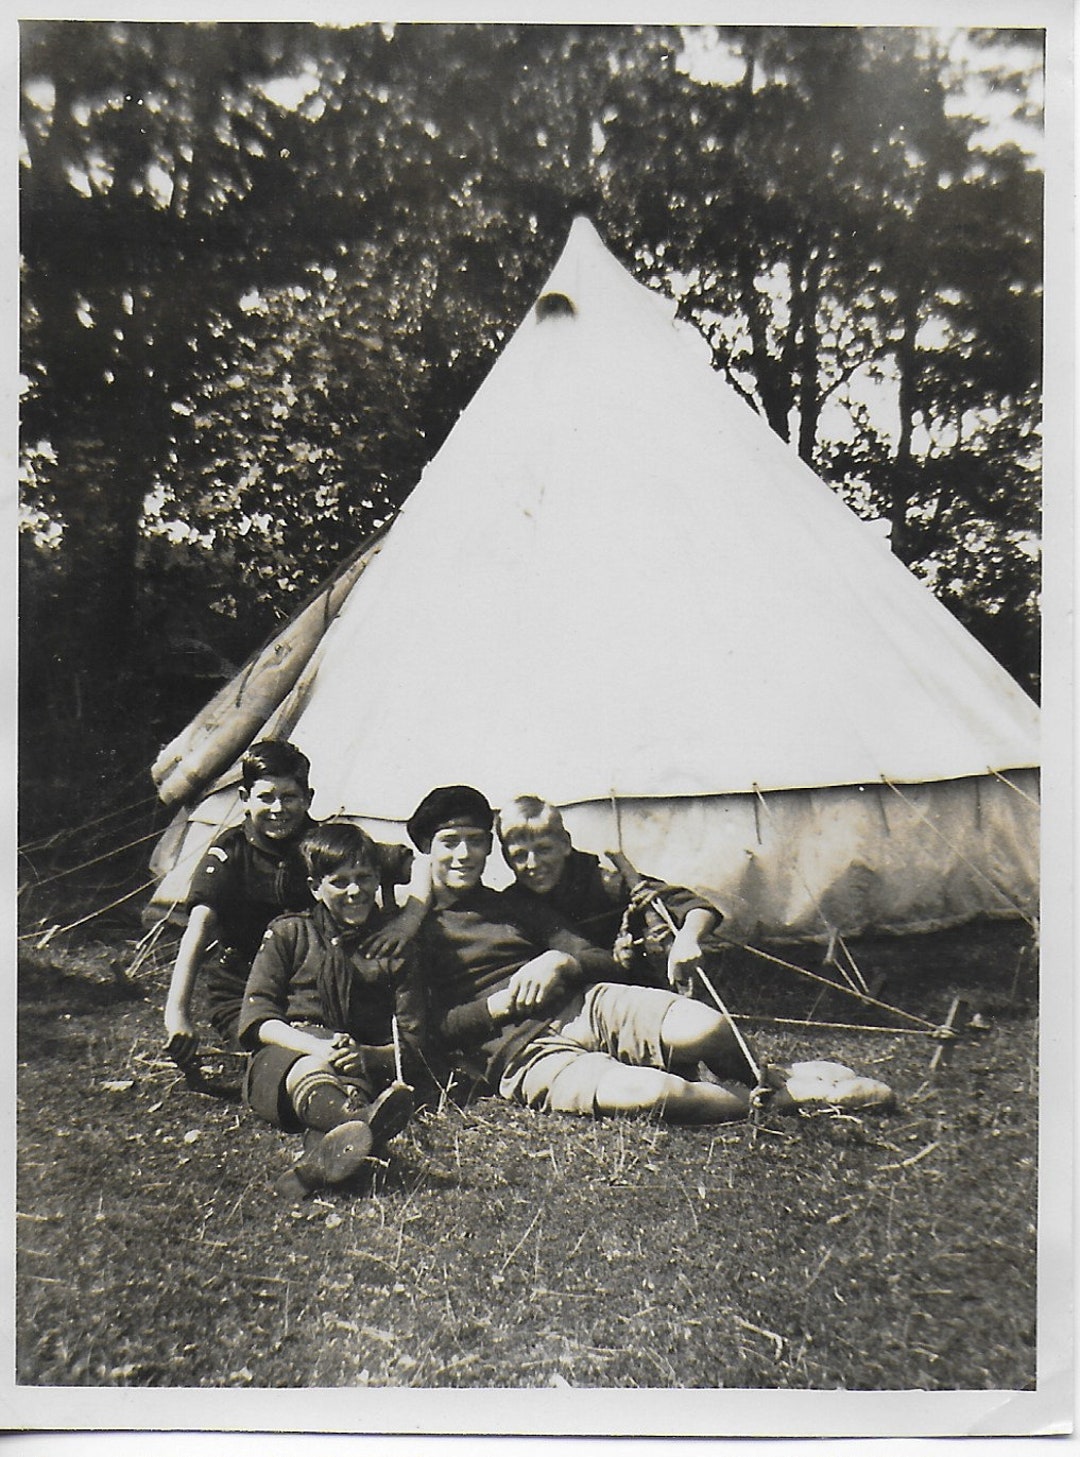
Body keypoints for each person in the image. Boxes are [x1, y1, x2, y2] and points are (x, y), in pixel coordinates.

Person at [407, 786, 894, 1124]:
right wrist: (498, 1007)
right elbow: (427, 1030)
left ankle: (764, 1076)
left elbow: (598, 960)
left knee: (706, 1027)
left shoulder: (514, 904)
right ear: (426, 851)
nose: (463, 855)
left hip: (583, 1006)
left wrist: (560, 962)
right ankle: (782, 1097)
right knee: (652, 1093)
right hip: (522, 1053)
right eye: (449, 844)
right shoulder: (407, 932)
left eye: (475, 843)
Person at [163, 740, 427, 1068]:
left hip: (315, 983)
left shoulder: (323, 844)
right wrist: (177, 1016)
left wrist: (409, 919)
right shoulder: (230, 853)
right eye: (265, 797)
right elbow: (198, 930)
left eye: (289, 797)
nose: (278, 809)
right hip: (247, 989)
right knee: (284, 1052)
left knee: (340, 1047)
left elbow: (419, 863)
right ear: (245, 800)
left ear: (308, 798)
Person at [238, 819, 423, 1198]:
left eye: (365, 877)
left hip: (353, 1061)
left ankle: (318, 1168)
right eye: (339, 881)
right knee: (313, 1069)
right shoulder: (290, 933)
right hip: (289, 1053)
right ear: (315, 888)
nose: (355, 891)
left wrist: (368, 1057)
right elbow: (257, 1019)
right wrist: (318, 1048)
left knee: (343, 1087)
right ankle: (362, 1123)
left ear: (376, 879)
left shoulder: (392, 945)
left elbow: (412, 1038)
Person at [496, 794, 721, 991]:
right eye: (520, 855)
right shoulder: (512, 902)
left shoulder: (604, 882)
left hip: (629, 990)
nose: (533, 864)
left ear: (565, 844)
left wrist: (688, 939)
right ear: (507, 860)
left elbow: (694, 906)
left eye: (544, 849)